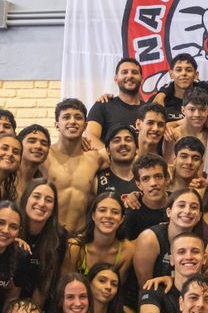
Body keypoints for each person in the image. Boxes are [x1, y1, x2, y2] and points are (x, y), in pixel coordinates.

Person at [132, 189, 208, 303]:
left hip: (187, 303)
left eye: (194, 207)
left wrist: (171, 279)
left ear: (200, 215)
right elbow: (145, 287)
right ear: (169, 212)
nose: (187, 211)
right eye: (181, 205)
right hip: (151, 301)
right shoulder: (149, 239)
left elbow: (198, 283)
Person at [46, 99, 104, 234]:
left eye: (78, 117)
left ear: (85, 125)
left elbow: (126, 154)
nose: (72, 121)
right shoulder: (44, 156)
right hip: (47, 236)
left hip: (79, 239)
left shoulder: (95, 159)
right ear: (57, 125)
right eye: (66, 117)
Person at [137, 231, 208, 313]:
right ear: (172, 260)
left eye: (195, 251)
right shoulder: (155, 288)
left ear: (204, 258)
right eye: (181, 252)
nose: (188, 257)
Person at [17, 178, 65, 305]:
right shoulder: (11, 228)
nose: (42, 203)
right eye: (36, 197)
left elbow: (45, 284)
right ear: (26, 199)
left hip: (38, 306)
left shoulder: (59, 237)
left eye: (48, 200)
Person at [66, 191, 133, 280]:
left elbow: (117, 288)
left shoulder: (128, 250)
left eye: (115, 212)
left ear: (122, 219)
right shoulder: (74, 247)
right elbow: (65, 285)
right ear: (93, 215)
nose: (108, 216)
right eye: (102, 210)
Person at [85, 57, 144, 144]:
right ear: (116, 79)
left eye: (134, 72)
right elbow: (90, 136)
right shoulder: (102, 105)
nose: (130, 75)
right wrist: (110, 156)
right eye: (124, 72)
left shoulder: (148, 110)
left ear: (142, 79)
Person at [153, 53, 208, 122]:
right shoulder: (162, 98)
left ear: (196, 75)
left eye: (189, 70)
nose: (183, 73)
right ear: (171, 74)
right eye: (179, 70)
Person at [122, 154, 172, 241]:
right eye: (146, 179)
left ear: (167, 179)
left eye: (158, 176)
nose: (153, 183)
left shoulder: (178, 203)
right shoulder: (131, 212)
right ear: (138, 184)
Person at [164, 88, 208, 161]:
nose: (197, 114)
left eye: (202, 109)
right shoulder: (172, 135)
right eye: (192, 109)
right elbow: (169, 165)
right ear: (183, 110)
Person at [94, 126, 139, 202]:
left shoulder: (146, 178)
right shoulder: (96, 180)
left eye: (128, 140)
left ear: (137, 148)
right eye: (116, 141)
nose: (123, 143)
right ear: (107, 150)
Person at [14, 124, 51, 199]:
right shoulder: (6, 179)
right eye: (32, 141)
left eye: (44, 143)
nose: (38, 146)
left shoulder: (44, 185)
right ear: (19, 145)